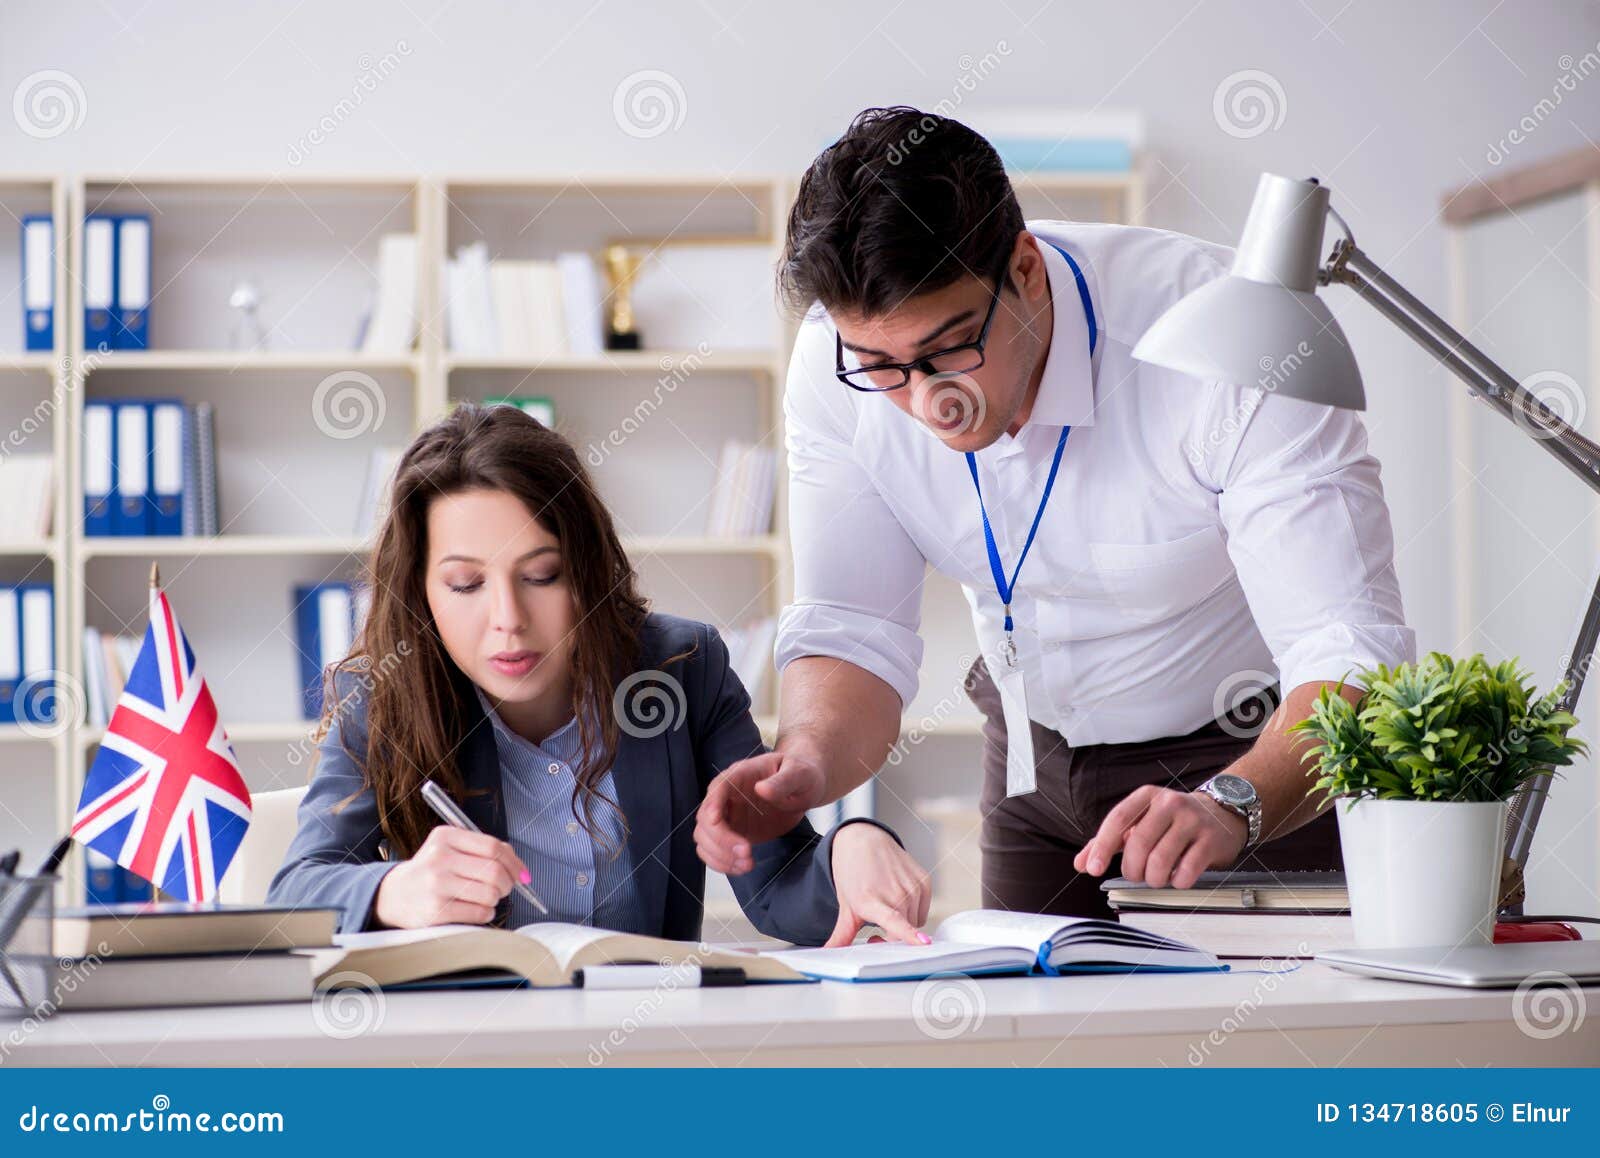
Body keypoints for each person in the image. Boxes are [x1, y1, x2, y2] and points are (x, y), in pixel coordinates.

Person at [695, 107, 1416, 919]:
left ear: (1028, 269)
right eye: (883, 367)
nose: (931, 401)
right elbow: (854, 625)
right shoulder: (833, 363)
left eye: (952, 344)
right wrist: (808, 765)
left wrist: (1237, 802)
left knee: (1279, 1036)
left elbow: (1351, 648)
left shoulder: (1235, 342)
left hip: (1249, 754)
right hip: (1032, 754)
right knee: (1034, 1036)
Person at [270, 403, 931, 946]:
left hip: (647, 1049)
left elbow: (780, 884)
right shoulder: (383, 696)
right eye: (466, 583)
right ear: (422, 592)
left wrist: (851, 848)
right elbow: (296, 891)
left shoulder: (681, 670)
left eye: (542, 576)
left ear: (587, 570)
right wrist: (392, 890)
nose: (508, 619)